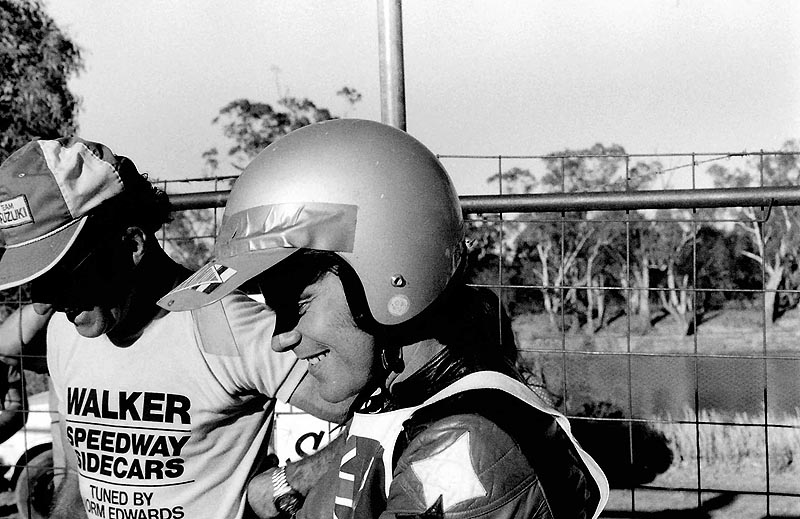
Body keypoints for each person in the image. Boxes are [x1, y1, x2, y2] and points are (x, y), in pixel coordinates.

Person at [160, 119, 610, 519]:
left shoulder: (459, 453)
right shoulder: (397, 403)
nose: (281, 339)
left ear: (388, 275)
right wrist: (284, 488)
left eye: (294, 304)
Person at [0, 138, 349, 519]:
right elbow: (79, 484)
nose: (44, 300)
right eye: (34, 281)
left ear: (132, 245)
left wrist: (291, 482)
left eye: (59, 276)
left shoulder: (222, 323)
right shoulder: (64, 334)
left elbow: (380, 414)